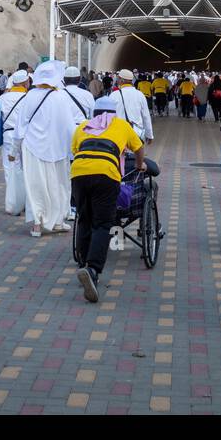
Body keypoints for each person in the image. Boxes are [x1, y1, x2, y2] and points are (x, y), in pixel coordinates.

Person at [71, 94, 145, 302]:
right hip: (106, 174)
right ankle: (93, 270)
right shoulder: (121, 126)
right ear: (114, 113)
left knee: (84, 218)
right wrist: (140, 165)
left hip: (79, 173)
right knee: (103, 224)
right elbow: (139, 149)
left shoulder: (83, 126)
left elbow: (75, 151)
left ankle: (83, 263)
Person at [8, 61, 77, 237]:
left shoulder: (30, 96)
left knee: (35, 185)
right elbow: (70, 126)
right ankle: (58, 221)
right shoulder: (61, 97)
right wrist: (75, 149)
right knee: (60, 184)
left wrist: (13, 151)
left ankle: (38, 224)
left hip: (33, 148)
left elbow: (20, 126)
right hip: (58, 148)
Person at [0, 69, 32, 220]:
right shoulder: (29, 98)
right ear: (24, 83)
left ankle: (12, 204)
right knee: (27, 169)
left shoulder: (3, 98)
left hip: (8, 135)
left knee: (10, 168)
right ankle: (27, 202)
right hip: (27, 136)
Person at [111, 69, 154, 145]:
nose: (117, 80)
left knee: (121, 156)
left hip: (119, 133)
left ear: (122, 80)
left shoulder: (114, 95)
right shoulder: (140, 95)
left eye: (118, 78)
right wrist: (149, 135)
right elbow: (146, 116)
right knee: (136, 155)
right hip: (136, 133)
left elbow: (109, 116)